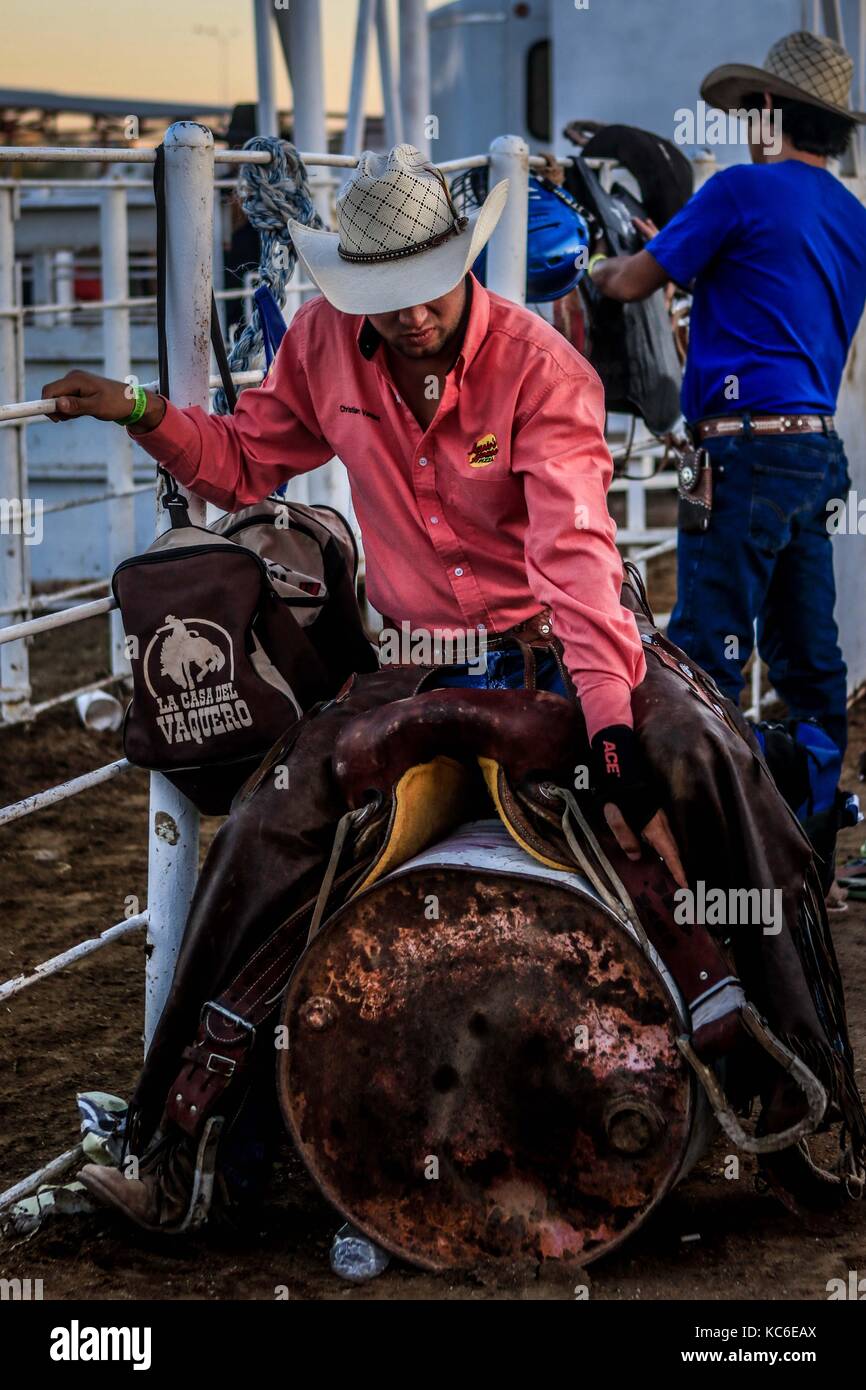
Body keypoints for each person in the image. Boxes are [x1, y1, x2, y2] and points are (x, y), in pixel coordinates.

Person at [42, 144, 685, 1231]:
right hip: (410, 661)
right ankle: (181, 1140)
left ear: (459, 264)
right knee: (263, 831)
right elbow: (248, 459)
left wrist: (610, 725)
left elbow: (573, 561)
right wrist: (140, 406)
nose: (411, 316)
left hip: (536, 652)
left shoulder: (539, 369)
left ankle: (778, 1064)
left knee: (697, 786)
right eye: (384, 298)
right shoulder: (325, 349)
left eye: (426, 291)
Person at [590, 30, 866, 759]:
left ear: (771, 110)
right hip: (813, 451)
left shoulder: (739, 190)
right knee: (810, 653)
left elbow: (630, 283)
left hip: (734, 455)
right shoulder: (852, 218)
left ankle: (701, 822)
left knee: (706, 646)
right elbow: (777, 292)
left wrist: (596, 266)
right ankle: (809, 822)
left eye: (751, 112)